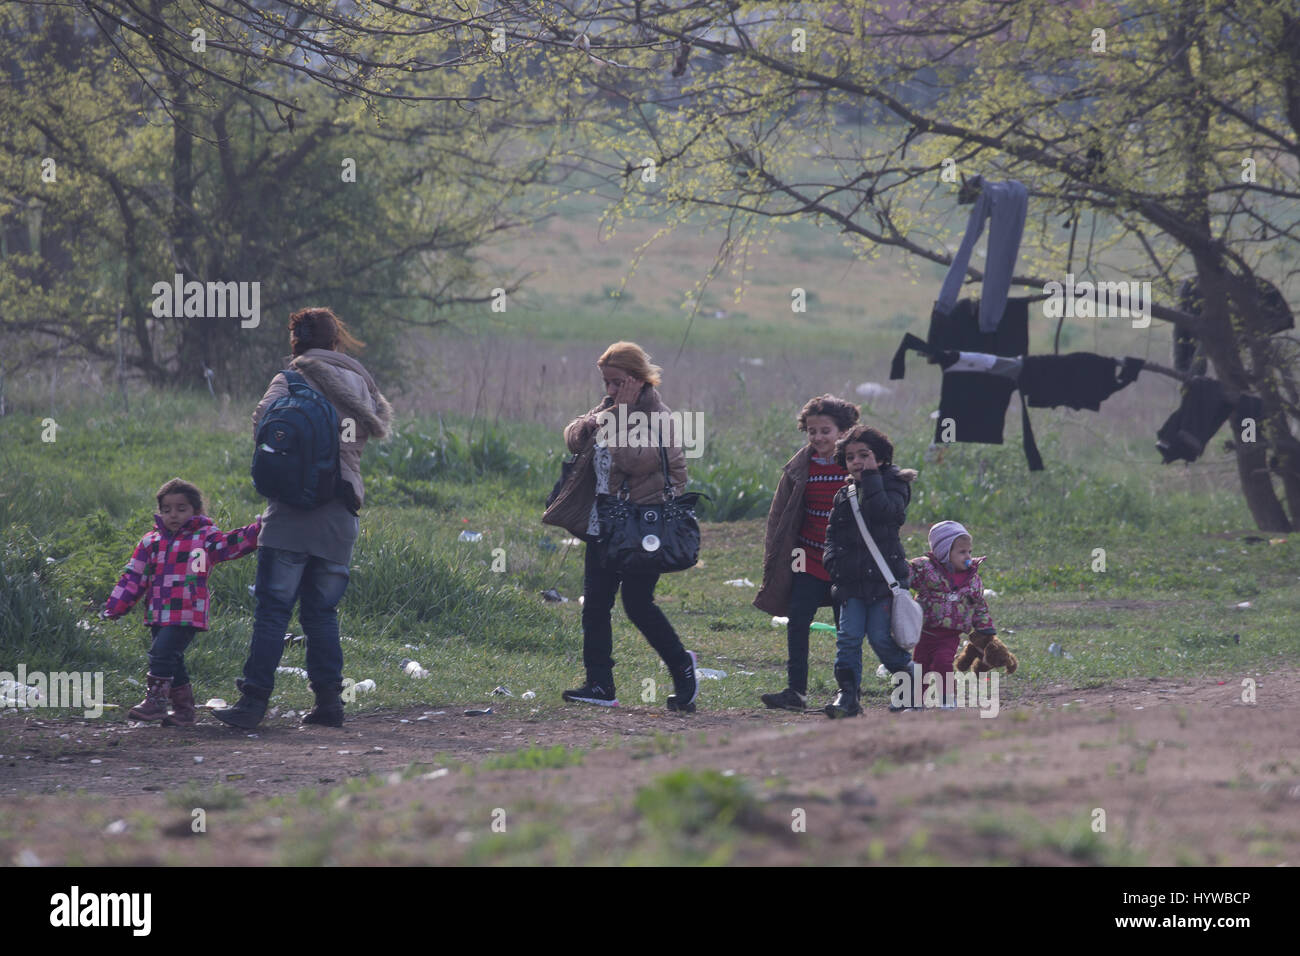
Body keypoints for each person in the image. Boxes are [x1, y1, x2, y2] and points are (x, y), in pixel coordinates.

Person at [214, 308, 392, 729]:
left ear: (295, 344)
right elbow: (361, 436)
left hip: (290, 512)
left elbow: (262, 427)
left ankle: (253, 704)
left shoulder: (288, 380)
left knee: (274, 611)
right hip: (339, 512)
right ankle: (330, 704)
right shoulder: (363, 386)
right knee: (321, 613)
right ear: (336, 342)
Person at [559, 341, 699, 712]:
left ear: (636, 380)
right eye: (605, 382)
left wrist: (617, 417)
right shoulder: (610, 408)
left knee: (638, 604)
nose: (609, 390)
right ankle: (600, 685)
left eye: (616, 382)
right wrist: (590, 423)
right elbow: (573, 438)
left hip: (642, 527)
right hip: (604, 522)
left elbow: (637, 462)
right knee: (595, 607)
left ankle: (682, 665)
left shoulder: (659, 418)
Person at [102, 478, 260, 725]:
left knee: (161, 654)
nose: (173, 515)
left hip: (187, 612)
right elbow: (134, 577)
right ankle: (184, 711)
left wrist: (257, 530)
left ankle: (155, 703)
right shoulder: (151, 542)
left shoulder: (204, 538)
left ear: (196, 511)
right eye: (166, 510)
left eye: (181, 509)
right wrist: (116, 605)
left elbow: (231, 544)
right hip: (158, 613)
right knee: (172, 660)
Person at [755, 394, 860, 711]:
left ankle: (849, 694)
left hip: (846, 563)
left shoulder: (857, 464)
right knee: (797, 620)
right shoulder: (800, 467)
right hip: (808, 559)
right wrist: (775, 554)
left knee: (847, 629)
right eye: (812, 431)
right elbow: (779, 515)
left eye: (825, 431)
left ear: (842, 432)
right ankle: (795, 692)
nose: (818, 437)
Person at [821, 424, 918, 717]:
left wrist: (873, 477)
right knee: (848, 638)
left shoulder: (896, 484)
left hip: (884, 583)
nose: (858, 462)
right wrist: (833, 563)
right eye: (851, 457)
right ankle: (847, 697)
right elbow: (832, 536)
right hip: (851, 584)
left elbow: (886, 515)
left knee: (880, 638)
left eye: (865, 455)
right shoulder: (844, 495)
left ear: (881, 457)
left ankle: (908, 686)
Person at [908, 521, 994, 708]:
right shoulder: (926, 570)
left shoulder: (972, 579)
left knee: (942, 662)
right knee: (918, 666)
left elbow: (979, 605)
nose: (968, 557)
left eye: (969, 552)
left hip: (949, 635)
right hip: (924, 632)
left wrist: (985, 628)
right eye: (962, 552)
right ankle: (914, 702)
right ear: (944, 553)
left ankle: (947, 699)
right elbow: (905, 575)